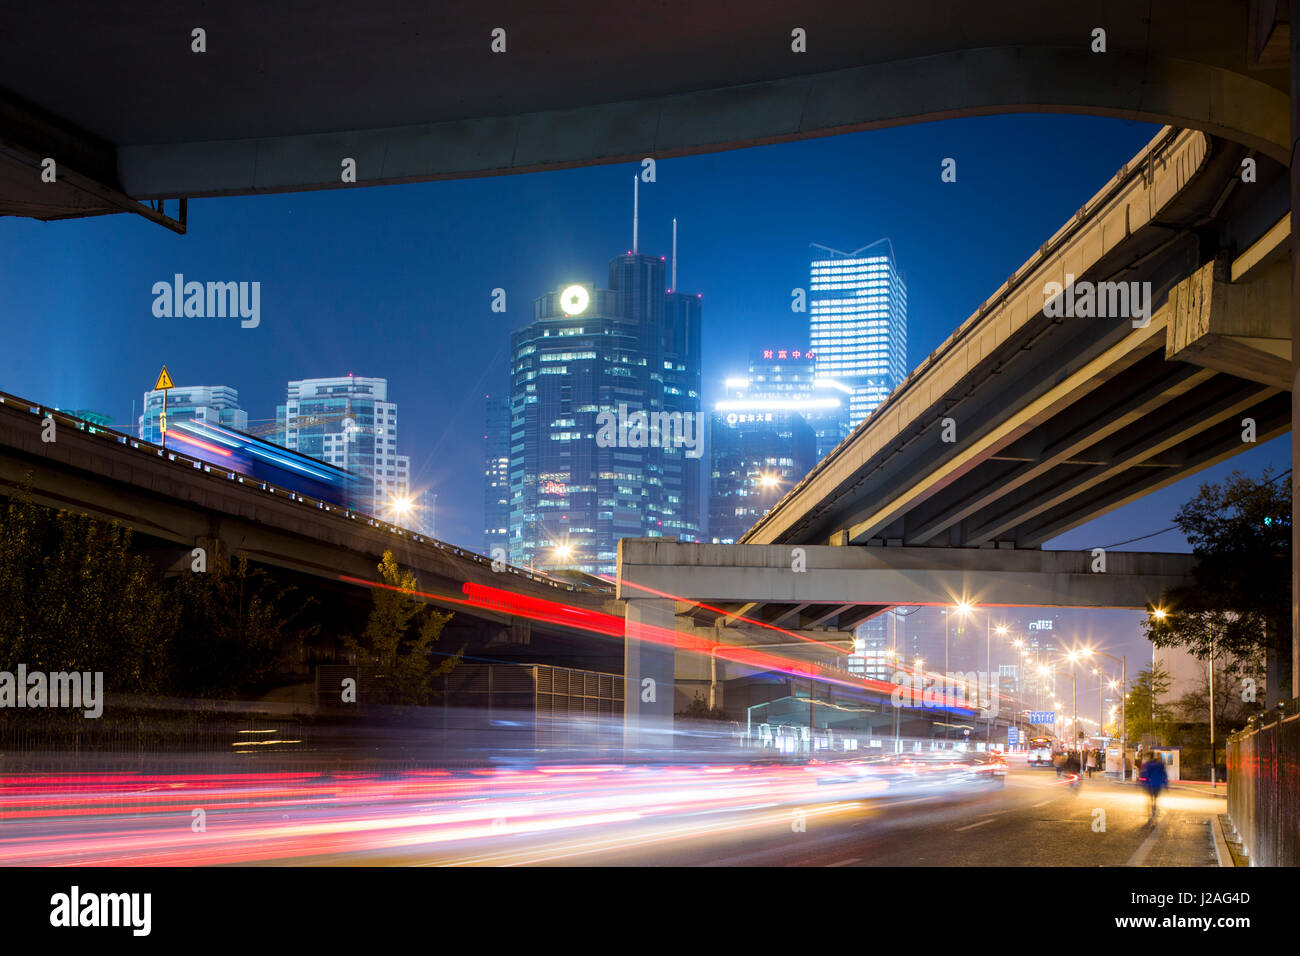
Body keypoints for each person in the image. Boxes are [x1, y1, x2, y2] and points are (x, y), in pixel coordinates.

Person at [1139, 751, 1168, 822]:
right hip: (1158, 784)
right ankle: (1154, 810)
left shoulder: (1147, 765)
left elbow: (1144, 774)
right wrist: (1166, 784)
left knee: (1150, 798)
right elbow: (1164, 775)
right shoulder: (1161, 765)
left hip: (1150, 784)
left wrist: (1142, 783)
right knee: (1155, 798)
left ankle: (1151, 811)